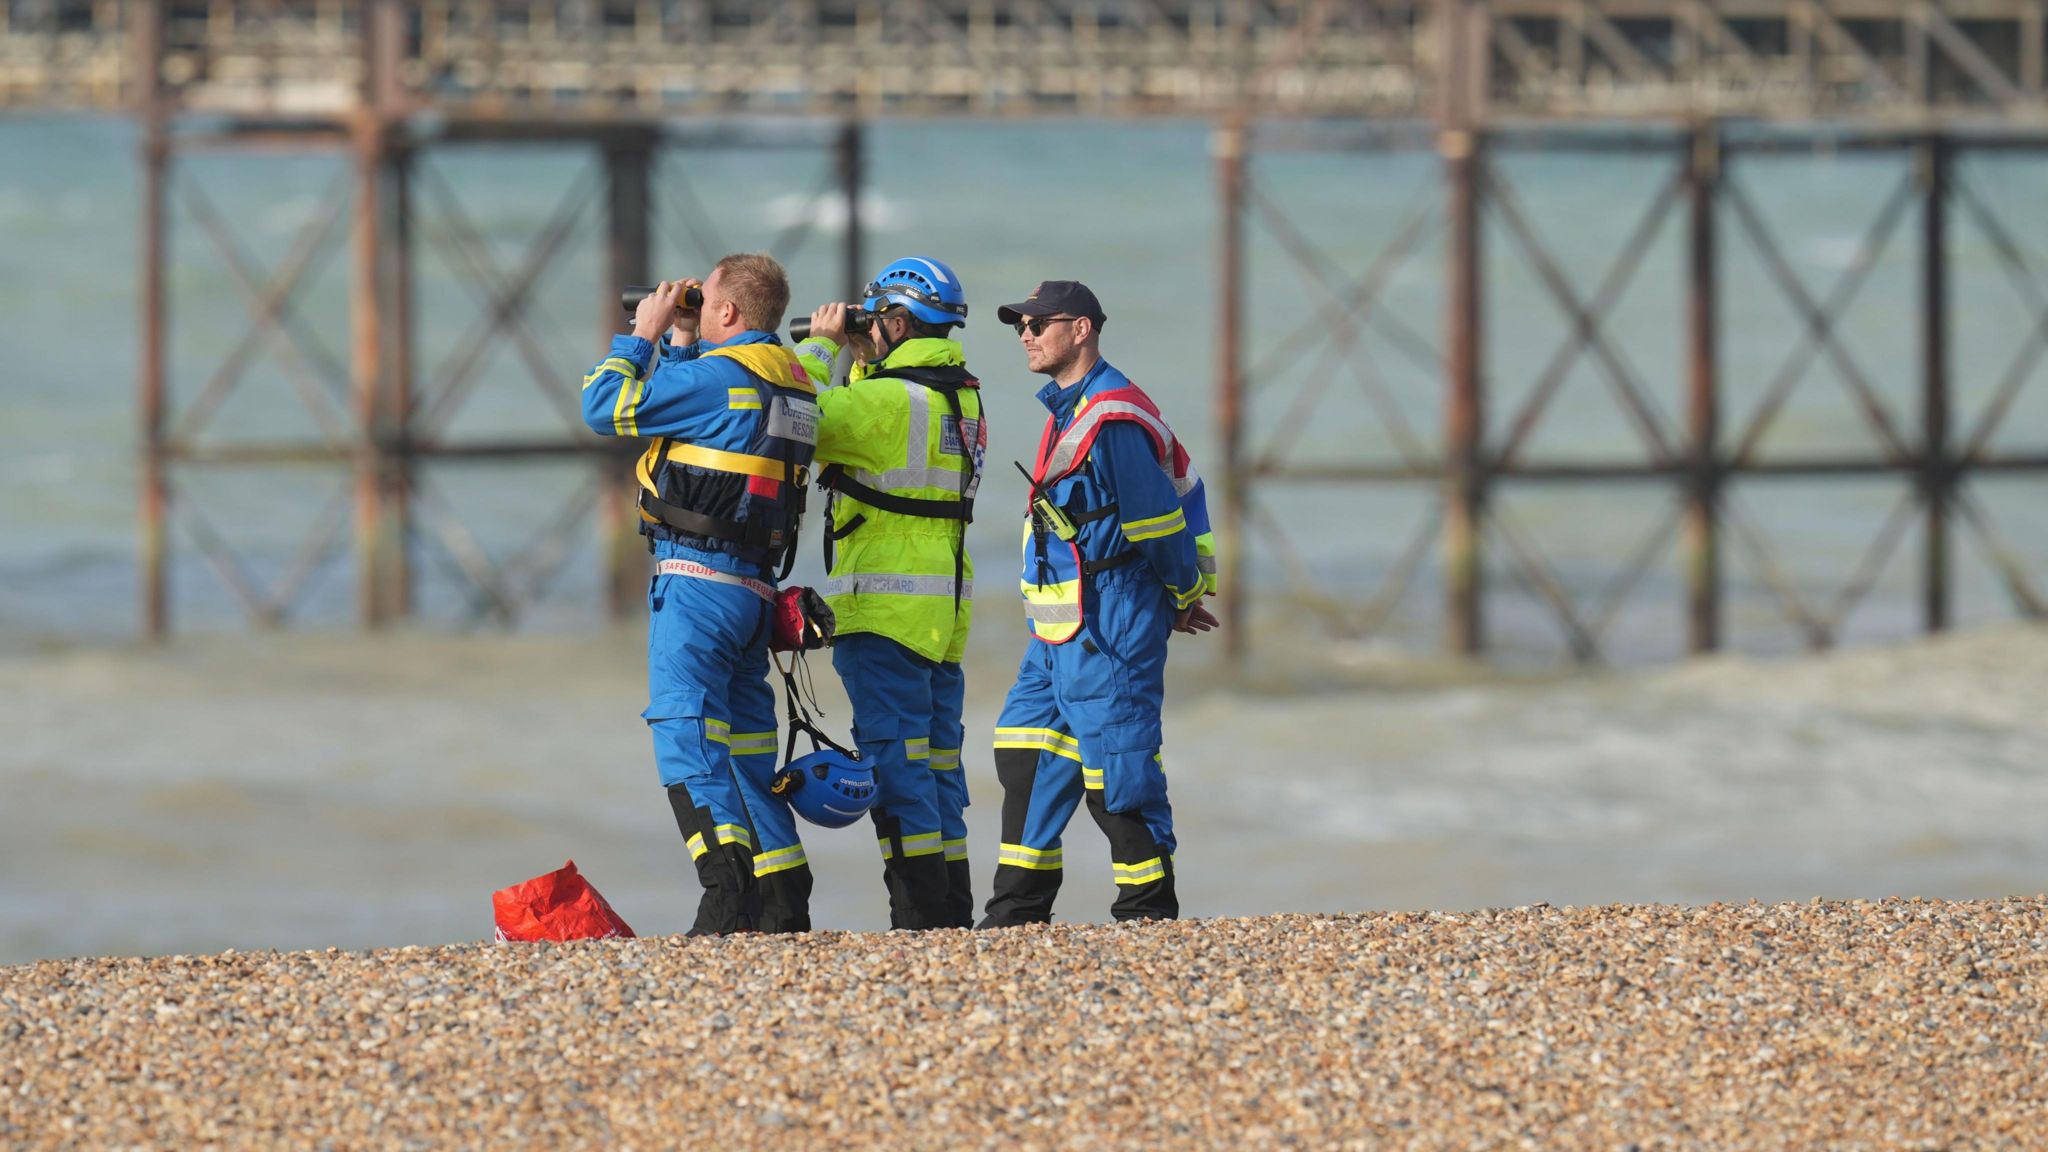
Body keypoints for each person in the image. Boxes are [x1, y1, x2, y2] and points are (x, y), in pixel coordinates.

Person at [580, 253, 823, 935]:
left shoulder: (720, 378)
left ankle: (724, 896)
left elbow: (605, 408)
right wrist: (684, 342)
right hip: (752, 591)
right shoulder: (791, 384)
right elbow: (698, 419)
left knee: (685, 732)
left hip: (695, 585)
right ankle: (782, 901)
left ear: (729, 312)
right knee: (745, 749)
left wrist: (644, 334)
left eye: (703, 299)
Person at [979, 280, 1219, 928]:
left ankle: (1147, 913)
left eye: (1037, 324)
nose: (1025, 335)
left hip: (1110, 615)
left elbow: (1155, 523)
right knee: (1023, 748)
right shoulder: (1071, 407)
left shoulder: (1110, 416)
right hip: (1061, 621)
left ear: (1080, 329)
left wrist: (1181, 593)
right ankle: (1014, 916)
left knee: (1119, 766)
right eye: (1019, 327)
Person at [794, 257, 984, 930]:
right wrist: (866, 352)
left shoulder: (882, 401)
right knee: (936, 771)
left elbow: (793, 416)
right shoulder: (959, 395)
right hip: (941, 616)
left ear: (898, 322)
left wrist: (820, 346)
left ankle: (921, 920)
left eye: (877, 322)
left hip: (884, 614)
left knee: (896, 770)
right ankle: (952, 915)